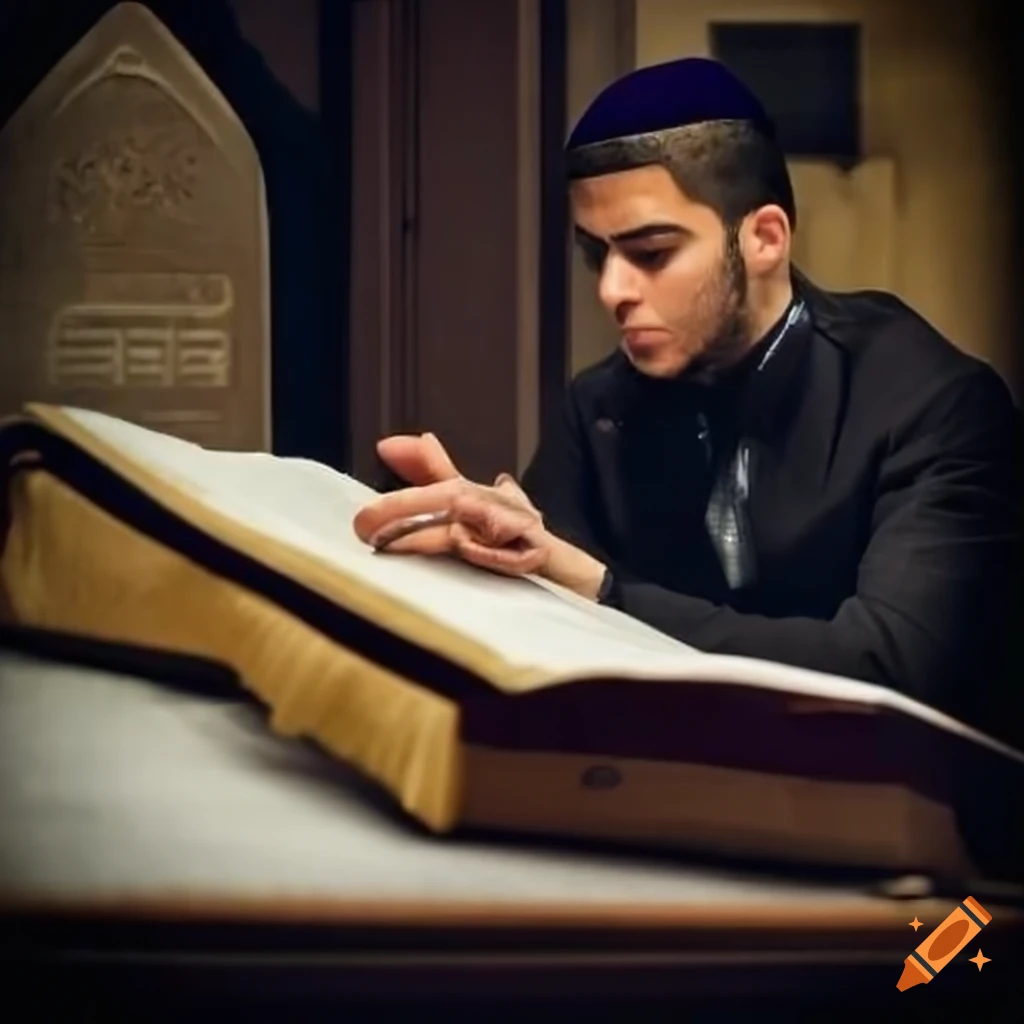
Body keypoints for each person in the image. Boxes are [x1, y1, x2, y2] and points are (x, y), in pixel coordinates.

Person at [352, 57, 1023, 744]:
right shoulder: (599, 408)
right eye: (596, 255)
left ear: (764, 238)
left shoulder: (932, 402)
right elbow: (542, 632)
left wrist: (602, 590)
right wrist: (474, 553)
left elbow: (892, 671)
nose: (612, 289)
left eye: (651, 252)